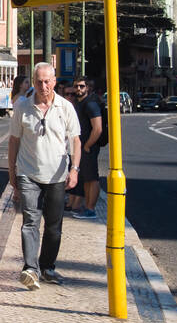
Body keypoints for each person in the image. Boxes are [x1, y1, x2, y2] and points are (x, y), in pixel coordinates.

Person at [7, 61, 81, 289]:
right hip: (28, 173)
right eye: (39, 82)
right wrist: (12, 171)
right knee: (30, 221)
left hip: (57, 175)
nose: (43, 86)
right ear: (34, 82)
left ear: (54, 82)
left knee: (53, 226)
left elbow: (75, 140)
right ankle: (30, 269)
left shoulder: (65, 107)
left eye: (47, 81)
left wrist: (74, 169)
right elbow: (14, 141)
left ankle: (47, 267)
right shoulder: (23, 107)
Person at [66, 78, 104, 218]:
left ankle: (90, 209)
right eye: (76, 86)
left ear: (87, 87)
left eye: (81, 86)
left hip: (89, 147)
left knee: (92, 178)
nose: (78, 89)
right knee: (86, 178)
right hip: (82, 147)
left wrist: (87, 145)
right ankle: (87, 207)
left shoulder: (90, 105)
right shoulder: (80, 103)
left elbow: (98, 128)